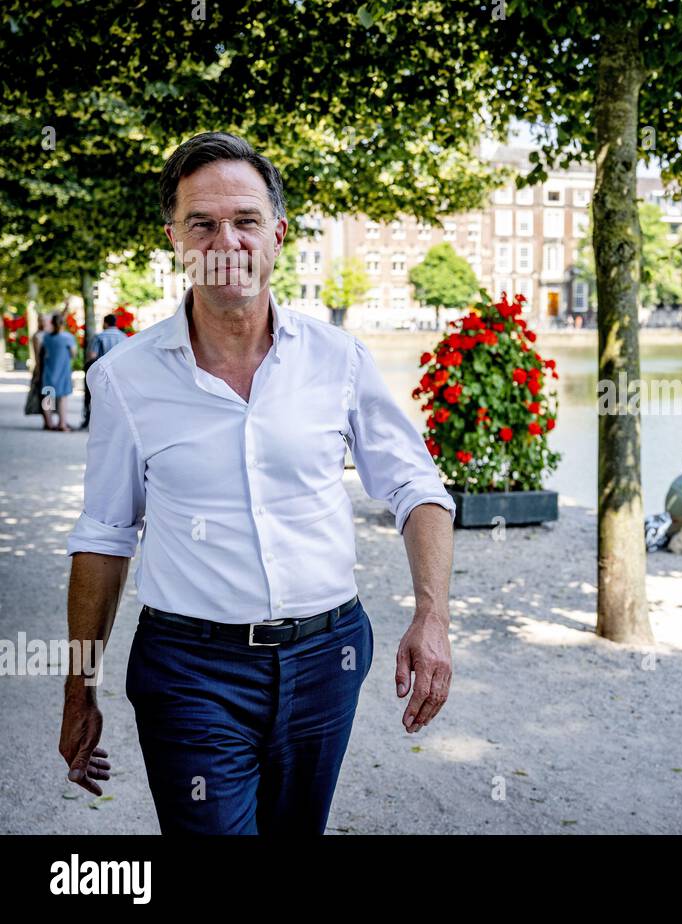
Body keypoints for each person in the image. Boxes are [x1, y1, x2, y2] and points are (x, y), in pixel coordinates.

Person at [59, 131, 458, 835]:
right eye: (202, 223)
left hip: (326, 660)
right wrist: (77, 685)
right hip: (189, 672)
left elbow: (415, 486)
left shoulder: (339, 360)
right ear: (175, 240)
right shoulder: (125, 379)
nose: (226, 241)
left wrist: (432, 615)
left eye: (245, 220)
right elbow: (104, 536)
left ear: (277, 233)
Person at [79, 313, 128, 430]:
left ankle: (90, 421)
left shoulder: (99, 337)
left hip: (102, 373)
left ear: (105, 323)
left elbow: (92, 355)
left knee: (95, 397)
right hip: (119, 372)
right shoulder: (124, 337)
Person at [40, 312, 78, 432]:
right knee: (62, 398)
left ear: (52, 323)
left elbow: (43, 353)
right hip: (63, 371)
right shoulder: (67, 337)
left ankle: (50, 424)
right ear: (64, 324)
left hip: (49, 370)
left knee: (48, 397)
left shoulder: (46, 337)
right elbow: (73, 354)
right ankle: (62, 424)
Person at [24, 313, 53, 427]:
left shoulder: (50, 334)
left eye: (45, 320)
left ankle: (49, 420)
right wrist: (39, 372)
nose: (44, 322)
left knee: (49, 393)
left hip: (50, 368)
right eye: (41, 320)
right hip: (42, 368)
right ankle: (47, 422)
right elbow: (37, 356)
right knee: (44, 394)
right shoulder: (38, 336)